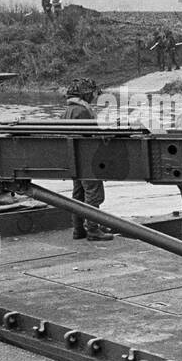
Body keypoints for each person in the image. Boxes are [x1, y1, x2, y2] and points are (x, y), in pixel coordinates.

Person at [64, 79, 113, 241]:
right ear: (84, 93)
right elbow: (93, 136)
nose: (94, 96)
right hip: (87, 160)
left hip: (74, 160)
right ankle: (93, 229)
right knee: (93, 195)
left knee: (78, 195)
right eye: (92, 93)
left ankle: (78, 229)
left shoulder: (68, 110)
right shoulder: (82, 111)